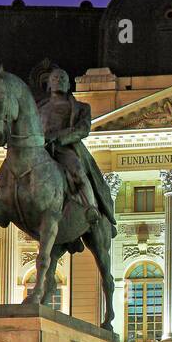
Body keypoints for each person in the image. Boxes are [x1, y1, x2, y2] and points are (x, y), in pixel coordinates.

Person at [36, 68, 115, 236]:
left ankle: (90, 207)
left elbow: (83, 129)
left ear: (69, 84)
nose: (60, 80)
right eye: (56, 78)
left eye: (63, 78)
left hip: (64, 148)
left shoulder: (80, 107)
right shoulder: (38, 108)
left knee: (78, 170)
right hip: (39, 150)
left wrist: (59, 138)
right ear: (49, 84)